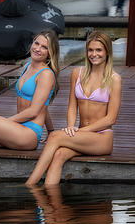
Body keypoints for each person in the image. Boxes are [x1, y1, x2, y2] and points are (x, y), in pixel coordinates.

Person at [26, 31, 121, 187]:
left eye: (99, 50)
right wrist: (71, 127)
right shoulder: (77, 73)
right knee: (59, 154)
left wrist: (79, 132)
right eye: (90, 50)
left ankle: (30, 185)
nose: (94, 54)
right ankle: (51, 205)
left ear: (107, 52)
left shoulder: (114, 79)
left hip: (102, 138)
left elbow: (111, 119)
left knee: (55, 136)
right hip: (81, 135)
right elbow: (72, 106)